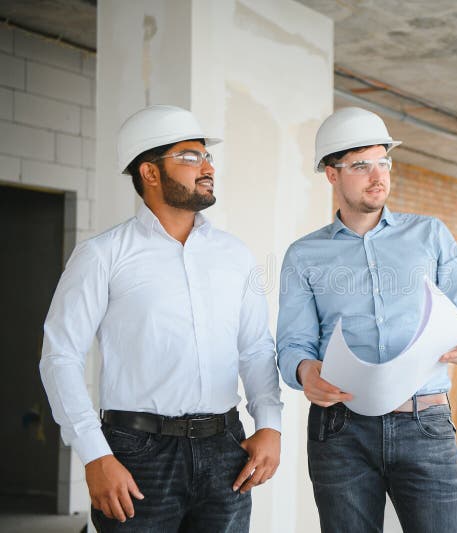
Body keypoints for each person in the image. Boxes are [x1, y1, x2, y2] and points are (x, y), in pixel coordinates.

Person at [40, 105, 282, 532]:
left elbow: (256, 347)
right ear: (150, 173)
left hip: (226, 448)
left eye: (206, 157)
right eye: (190, 157)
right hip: (136, 453)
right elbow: (60, 356)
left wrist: (271, 426)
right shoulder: (103, 256)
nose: (206, 167)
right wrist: (96, 454)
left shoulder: (234, 255)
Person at [276, 107, 457, 533]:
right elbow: (293, 345)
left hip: (425, 424)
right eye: (361, 165)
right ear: (332, 174)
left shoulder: (430, 235)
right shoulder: (303, 255)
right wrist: (306, 372)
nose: (378, 176)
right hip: (340, 431)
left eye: (383, 162)